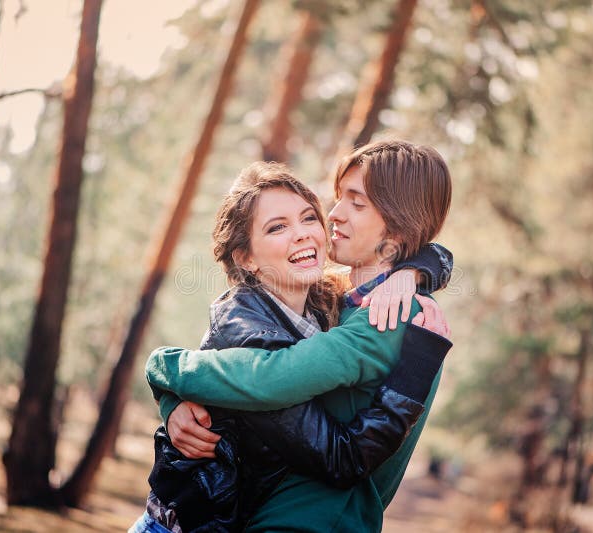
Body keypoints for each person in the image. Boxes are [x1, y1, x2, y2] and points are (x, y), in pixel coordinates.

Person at [146, 140, 453, 532]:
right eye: (339, 198)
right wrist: (174, 402)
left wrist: (162, 367)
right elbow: (236, 369)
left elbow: (266, 379)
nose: (334, 214)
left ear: (398, 222)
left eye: (356, 203)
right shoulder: (338, 300)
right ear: (247, 257)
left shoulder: (390, 313)